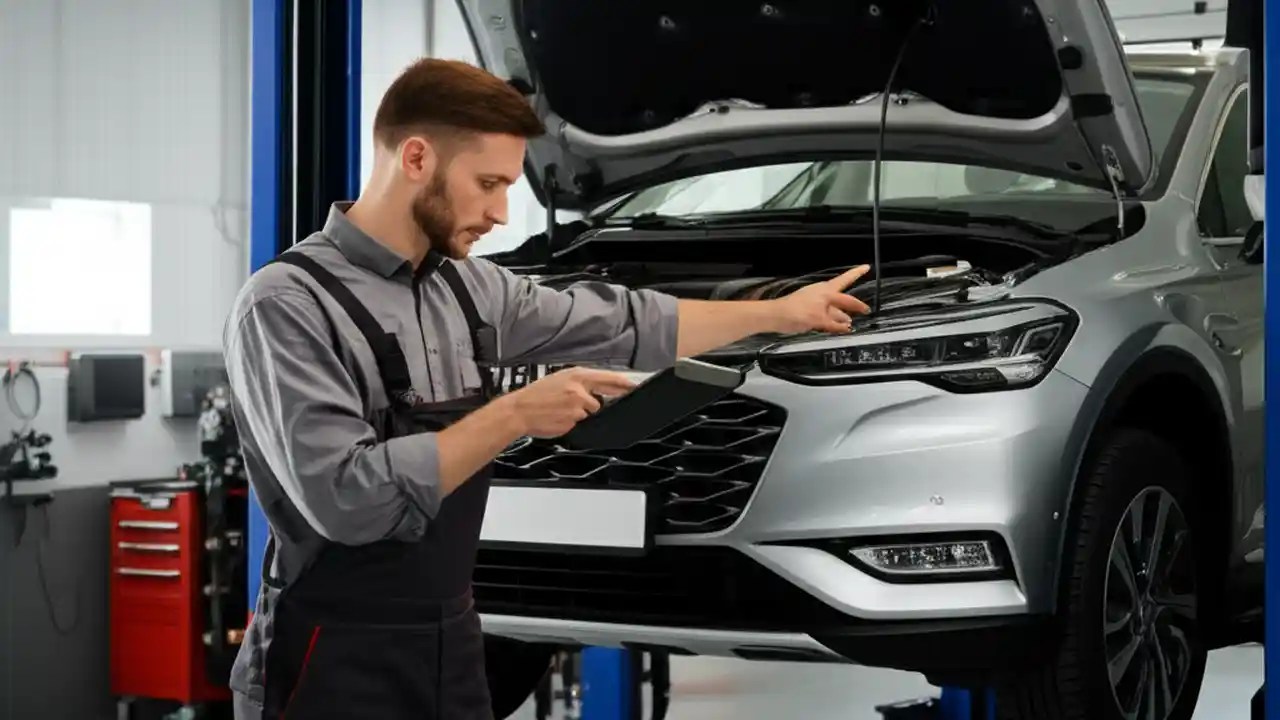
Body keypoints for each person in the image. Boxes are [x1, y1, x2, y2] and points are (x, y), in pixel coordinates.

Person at [223, 57, 871, 720]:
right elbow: (348, 499)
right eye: (488, 184)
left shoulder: (468, 288)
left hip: (451, 645)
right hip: (327, 661)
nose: (502, 213)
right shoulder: (288, 304)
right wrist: (516, 415)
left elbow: (625, 322)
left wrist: (779, 312)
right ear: (416, 157)